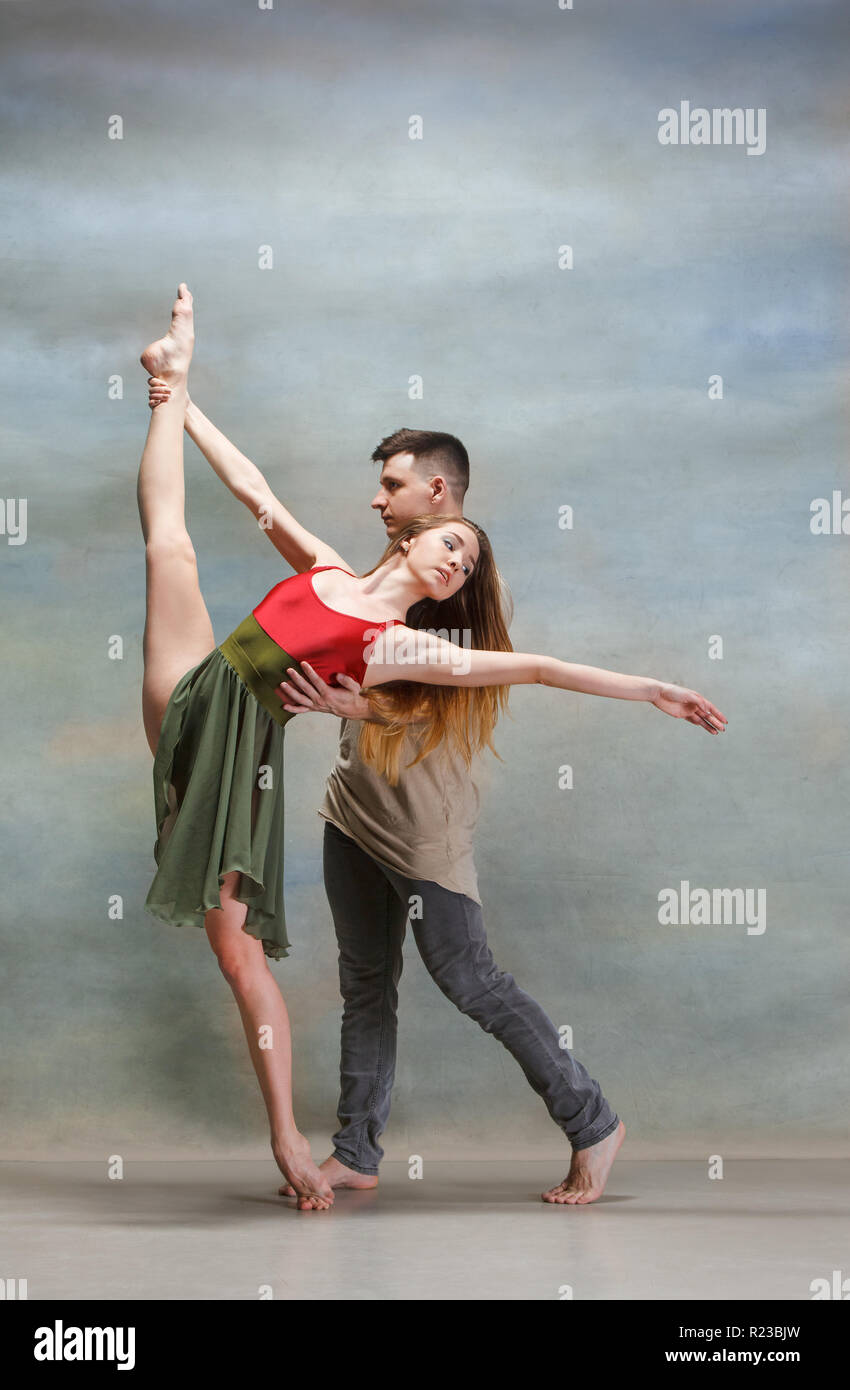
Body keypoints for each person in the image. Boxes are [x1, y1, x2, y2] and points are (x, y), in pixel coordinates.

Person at [146, 295, 728, 1208]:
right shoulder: (344, 571)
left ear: (438, 501)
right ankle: (358, 1151)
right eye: (429, 536)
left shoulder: (416, 640)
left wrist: (648, 688)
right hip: (355, 809)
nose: (383, 502)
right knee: (364, 982)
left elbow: (526, 668)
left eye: (399, 491)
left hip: (422, 825)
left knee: (466, 975)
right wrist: (176, 396)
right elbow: (257, 494)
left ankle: (593, 1122)